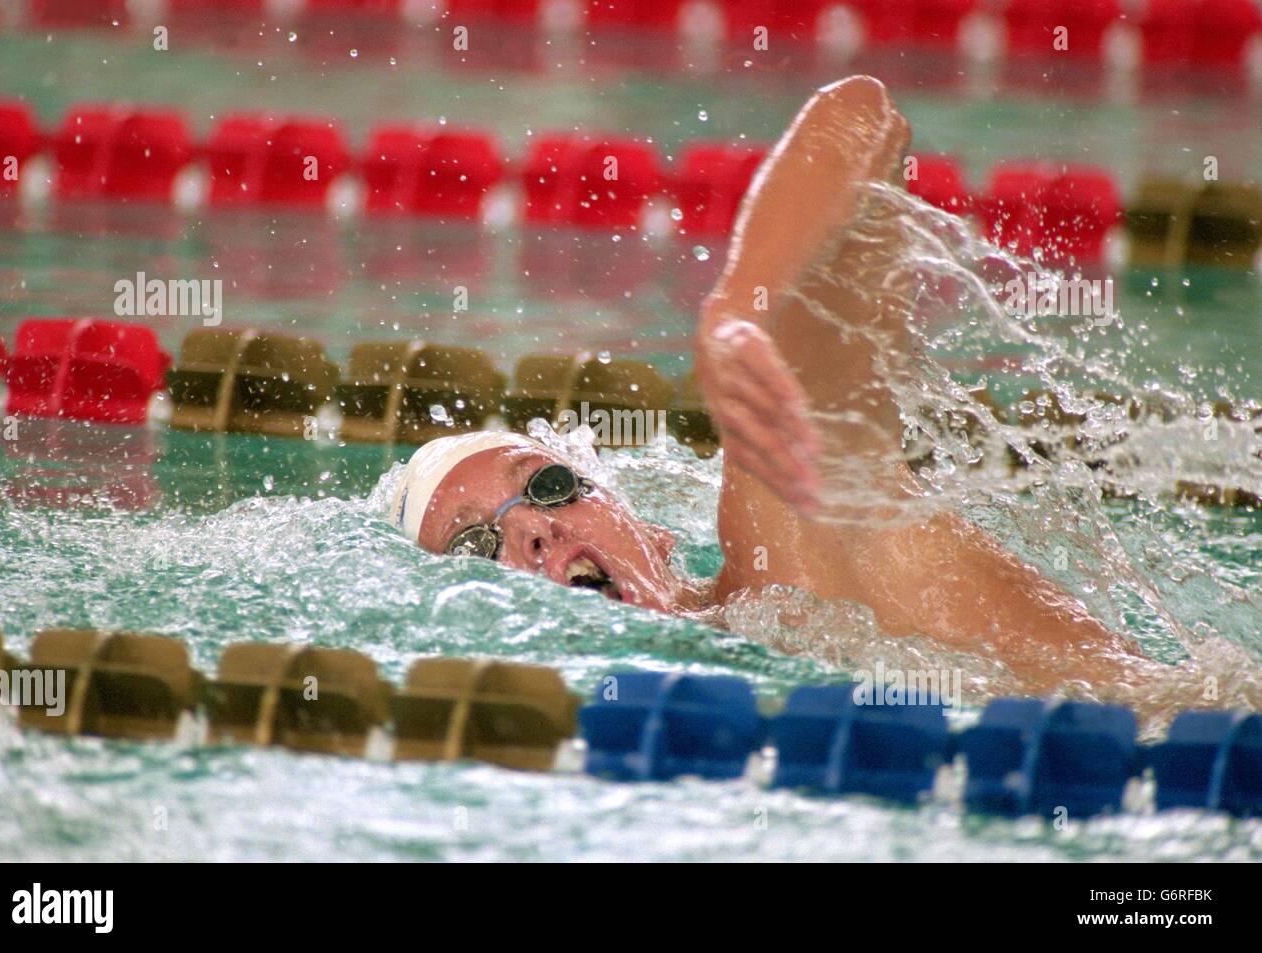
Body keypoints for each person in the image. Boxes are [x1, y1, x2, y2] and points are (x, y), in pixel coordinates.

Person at [390, 76, 1138, 693]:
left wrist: (739, 304)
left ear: (645, 523)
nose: (532, 525)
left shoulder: (787, 546)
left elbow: (863, 115)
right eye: (476, 542)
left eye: (548, 483)